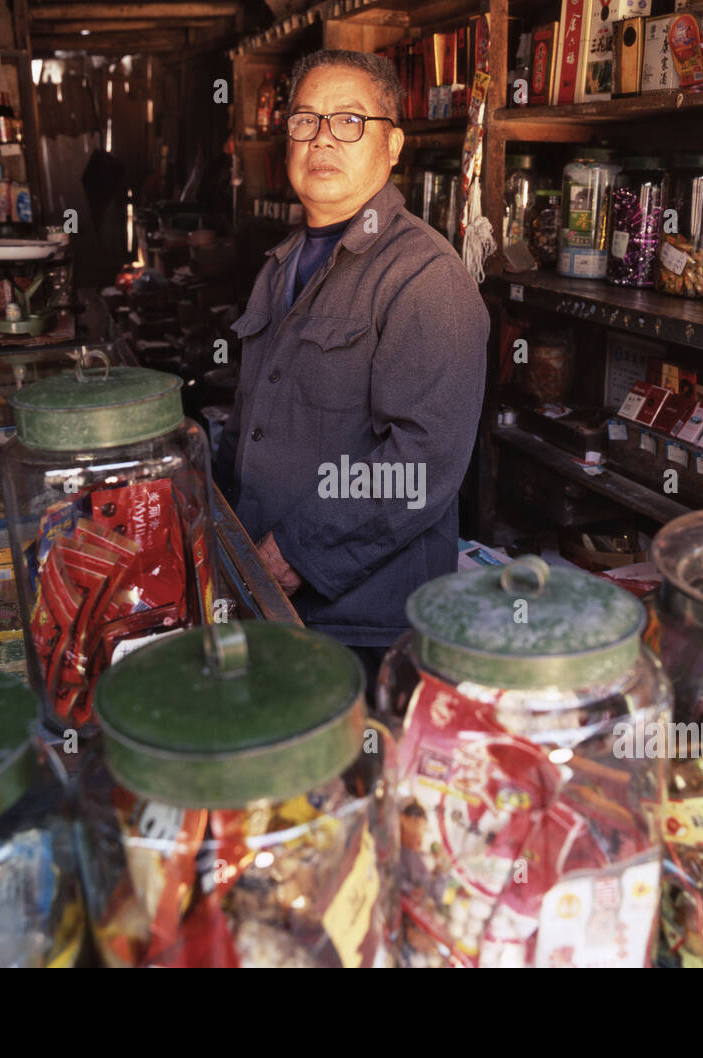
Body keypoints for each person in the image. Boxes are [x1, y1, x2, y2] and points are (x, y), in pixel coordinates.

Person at [214, 50, 488, 679]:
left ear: (392, 146)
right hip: (263, 597)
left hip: (360, 626)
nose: (322, 140)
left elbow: (419, 465)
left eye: (348, 122)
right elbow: (247, 420)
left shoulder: (425, 277)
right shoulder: (280, 264)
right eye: (306, 120)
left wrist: (294, 553)